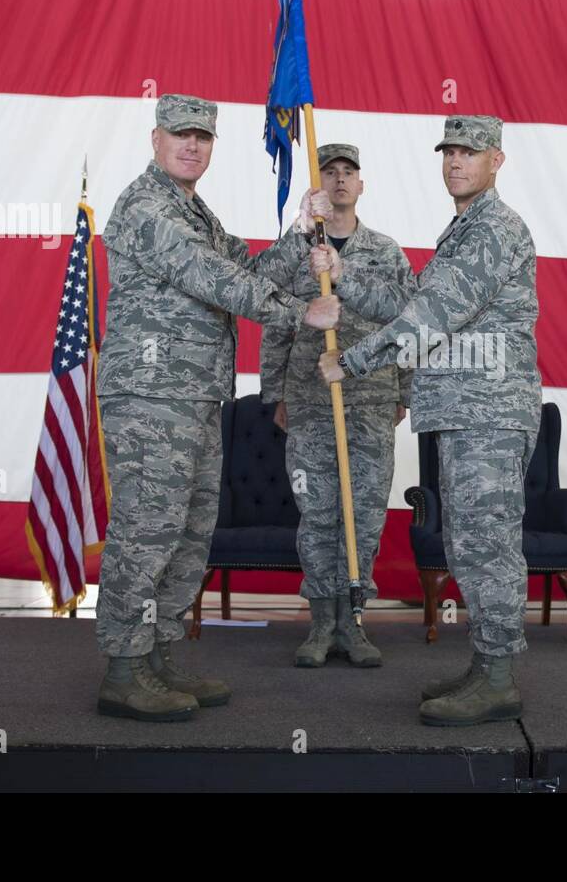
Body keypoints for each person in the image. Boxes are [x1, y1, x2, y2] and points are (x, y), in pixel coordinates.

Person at [94, 93, 340, 721]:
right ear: (156, 139)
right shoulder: (147, 207)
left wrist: (301, 232)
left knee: (188, 530)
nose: (192, 145)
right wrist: (299, 312)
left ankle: (156, 654)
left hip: (197, 394)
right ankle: (123, 668)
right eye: (180, 135)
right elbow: (215, 281)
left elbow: (247, 264)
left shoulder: (194, 211)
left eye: (203, 137)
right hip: (152, 395)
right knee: (147, 531)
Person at [315, 116, 542, 726]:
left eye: (469, 152)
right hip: (467, 413)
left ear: (497, 160)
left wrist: (352, 361)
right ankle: (485, 663)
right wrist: (343, 278)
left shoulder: (494, 228)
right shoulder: (463, 231)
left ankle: (498, 679)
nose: (455, 162)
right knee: (469, 544)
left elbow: (434, 315)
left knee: (487, 547)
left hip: (488, 413)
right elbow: (414, 303)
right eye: (448, 152)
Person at [256, 143, 415, 668]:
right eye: (331, 172)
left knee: (363, 514)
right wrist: (274, 392)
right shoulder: (297, 249)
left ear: (362, 186)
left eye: (350, 173)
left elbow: (409, 321)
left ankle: (355, 622)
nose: (341, 180)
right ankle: (321, 623)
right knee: (317, 512)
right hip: (309, 399)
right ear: (318, 185)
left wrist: (404, 392)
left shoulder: (386, 251)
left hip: (370, 400)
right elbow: (275, 317)